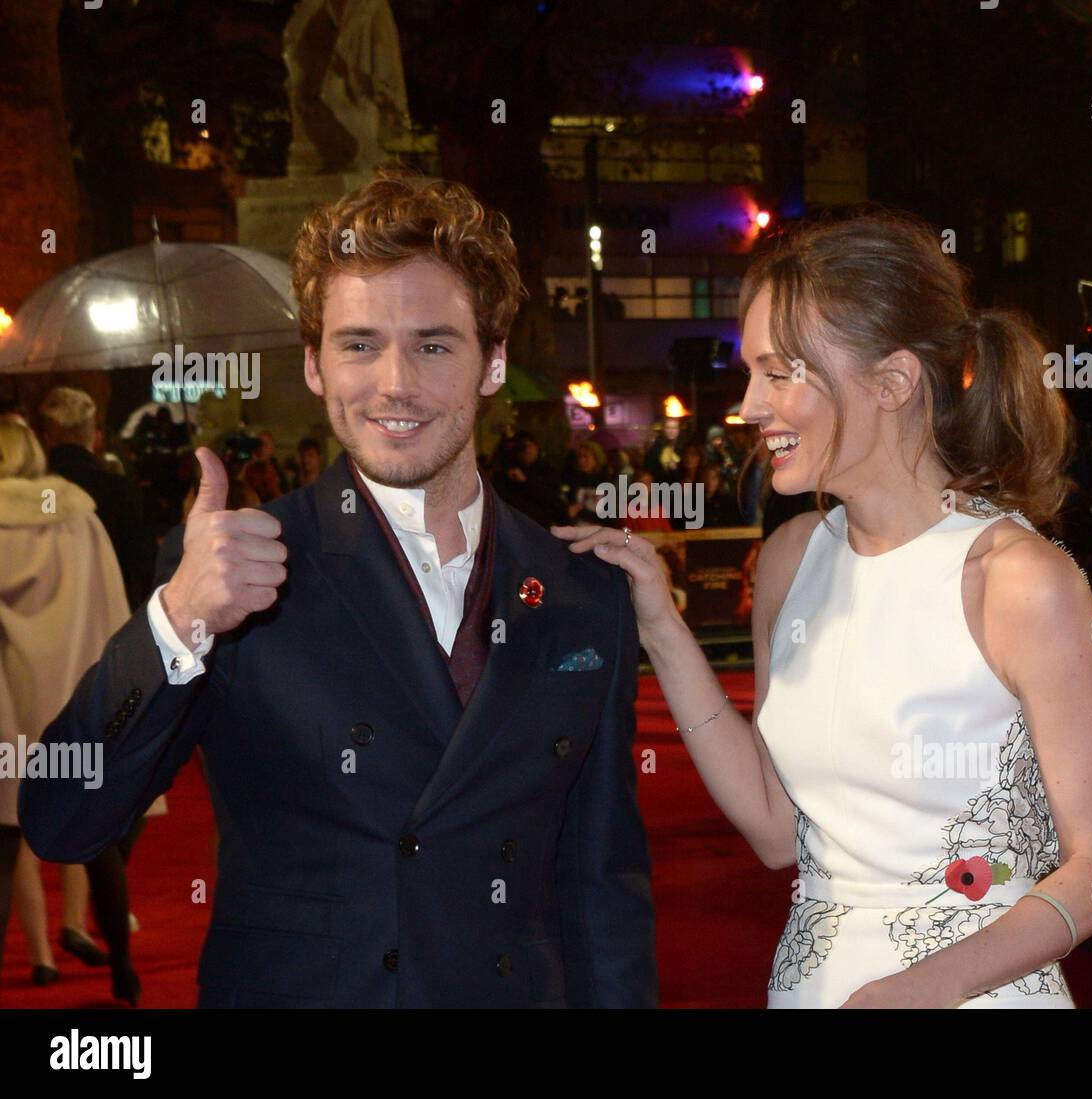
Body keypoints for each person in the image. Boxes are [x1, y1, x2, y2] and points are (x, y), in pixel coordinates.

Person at [22, 170, 656, 1008]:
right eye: (359, 344)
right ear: (316, 366)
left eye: (433, 344)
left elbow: (601, 887)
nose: (394, 381)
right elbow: (62, 816)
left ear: (493, 362)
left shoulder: (581, 591)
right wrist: (177, 623)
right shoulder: (234, 567)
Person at [556, 212, 1092, 1007]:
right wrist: (661, 623)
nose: (751, 406)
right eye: (752, 371)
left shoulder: (1019, 580)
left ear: (893, 381)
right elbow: (770, 825)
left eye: (782, 371)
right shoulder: (795, 558)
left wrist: (919, 988)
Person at [0, 419, 141, 1004]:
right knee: (96, 839)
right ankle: (123, 971)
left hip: (8, 702)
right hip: (73, 700)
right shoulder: (78, 517)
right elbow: (109, 607)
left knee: (3, 849)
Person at [38, 387, 155, 609]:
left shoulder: (41, 493)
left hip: (48, 615)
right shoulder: (120, 490)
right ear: (97, 438)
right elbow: (141, 563)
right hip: (110, 610)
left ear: (47, 439)